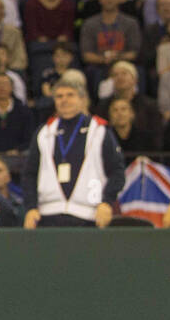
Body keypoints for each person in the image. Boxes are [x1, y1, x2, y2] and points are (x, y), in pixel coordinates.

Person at [22, 77, 126, 228]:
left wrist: (107, 202)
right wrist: (31, 207)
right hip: (48, 214)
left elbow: (117, 171)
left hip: (89, 214)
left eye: (70, 95)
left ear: (82, 99)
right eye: (59, 96)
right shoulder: (44, 133)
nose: (64, 100)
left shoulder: (98, 130)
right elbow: (30, 174)